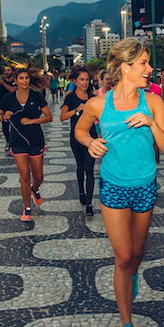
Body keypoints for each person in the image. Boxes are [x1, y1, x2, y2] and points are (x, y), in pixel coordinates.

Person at [74, 38, 164, 327]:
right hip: (114, 185)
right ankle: (126, 325)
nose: (150, 68)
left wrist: (151, 124)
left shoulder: (153, 102)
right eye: (144, 63)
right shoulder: (98, 104)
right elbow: (80, 129)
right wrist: (90, 143)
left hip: (145, 185)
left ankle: (129, 280)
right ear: (126, 68)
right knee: (124, 256)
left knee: (138, 254)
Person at [0, 67, 53, 222]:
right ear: (16, 80)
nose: (25, 81)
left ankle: (35, 189)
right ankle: (27, 208)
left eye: (27, 78)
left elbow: (48, 117)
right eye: (21, 78)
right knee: (24, 176)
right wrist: (4, 116)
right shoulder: (8, 98)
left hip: (35, 140)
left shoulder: (36, 96)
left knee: (38, 176)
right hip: (17, 141)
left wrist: (31, 121)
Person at [61, 68, 97, 217]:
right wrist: (77, 110)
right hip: (76, 136)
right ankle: (81, 191)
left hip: (92, 137)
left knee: (90, 168)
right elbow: (62, 116)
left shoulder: (92, 97)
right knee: (81, 166)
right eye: (81, 80)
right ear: (75, 81)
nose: (85, 83)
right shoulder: (70, 98)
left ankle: (89, 203)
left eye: (87, 80)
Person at [0, 66, 17, 152]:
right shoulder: (1, 83)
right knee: (5, 127)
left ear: (12, 72)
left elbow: (13, 90)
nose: (6, 72)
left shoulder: (15, 82)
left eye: (8, 70)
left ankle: (14, 143)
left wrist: (3, 84)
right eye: (5, 70)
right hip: (4, 108)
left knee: (14, 126)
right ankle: (8, 141)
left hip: (14, 107)